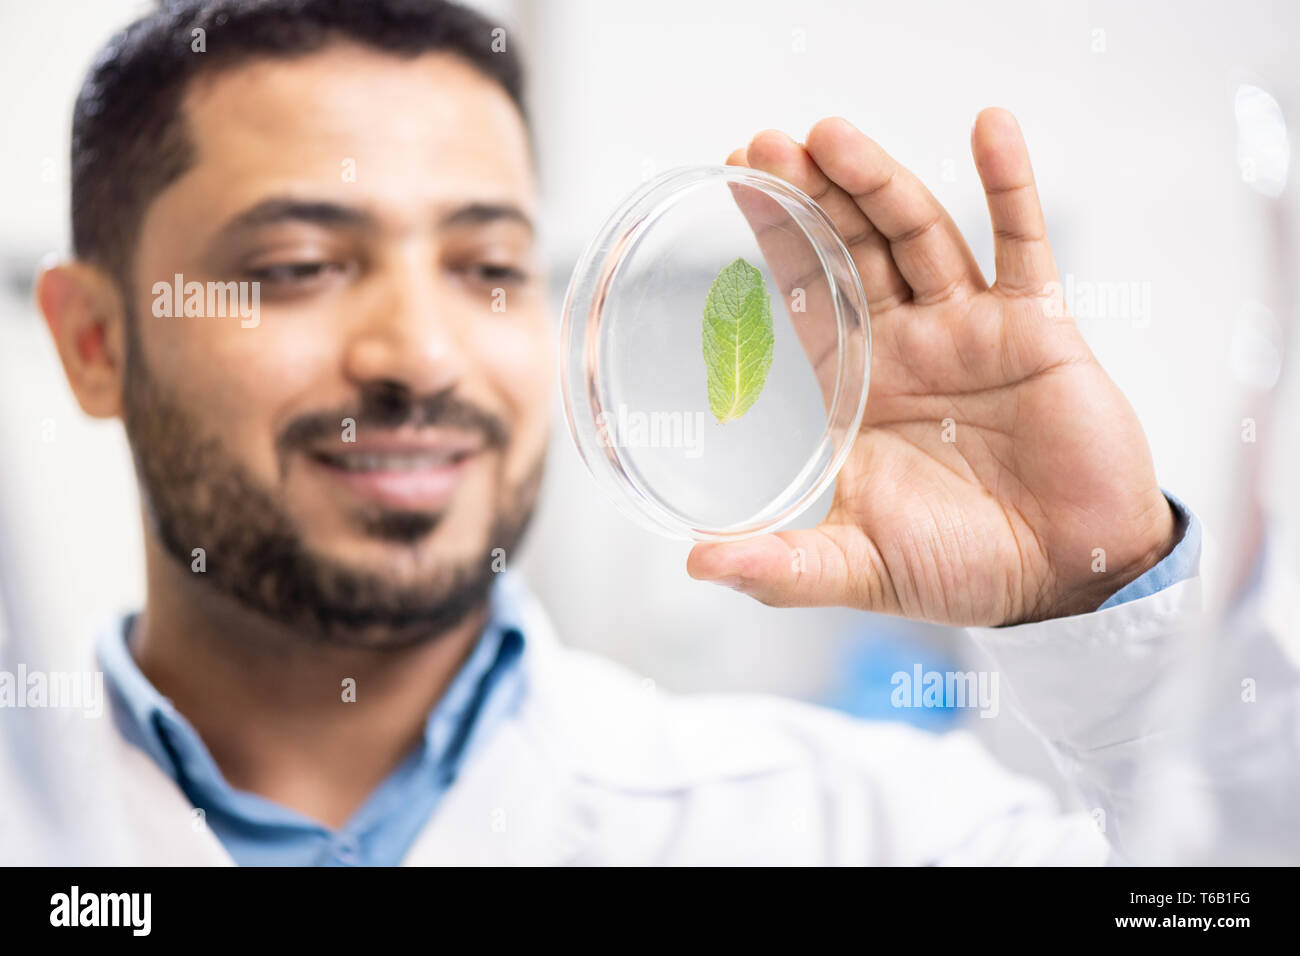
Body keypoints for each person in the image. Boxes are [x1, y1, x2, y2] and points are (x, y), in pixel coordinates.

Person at [6, 0, 1240, 865]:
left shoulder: (853, 829)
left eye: (487, 264)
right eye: (296, 265)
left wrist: (1099, 606)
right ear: (94, 341)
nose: (422, 353)